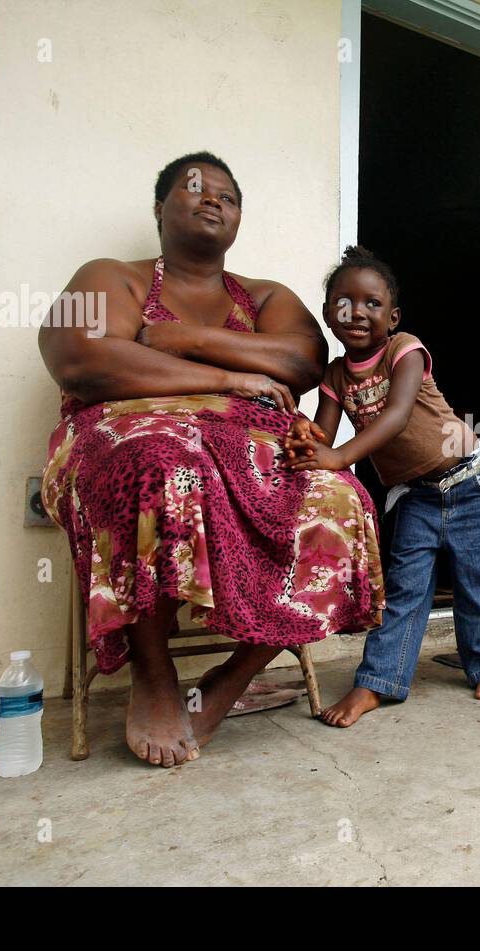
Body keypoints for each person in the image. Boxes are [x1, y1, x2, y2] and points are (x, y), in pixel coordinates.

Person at [38, 152, 384, 767]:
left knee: (339, 497)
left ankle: (231, 678)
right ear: (158, 209)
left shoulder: (265, 294)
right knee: (161, 467)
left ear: (239, 217)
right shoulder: (113, 276)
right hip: (124, 441)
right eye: (193, 188)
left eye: (227, 195)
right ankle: (154, 670)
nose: (212, 199)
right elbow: (80, 358)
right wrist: (233, 374)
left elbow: (302, 361)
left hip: (249, 446)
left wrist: (182, 339)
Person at [283, 245, 480, 727]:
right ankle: (376, 684)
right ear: (328, 314)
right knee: (404, 593)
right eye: (345, 303)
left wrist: (340, 456)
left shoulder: (403, 349)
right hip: (416, 498)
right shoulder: (335, 376)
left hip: (470, 483)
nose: (358, 313)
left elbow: (397, 414)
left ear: (394, 316)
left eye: (372, 304)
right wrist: (305, 434)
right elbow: (324, 435)